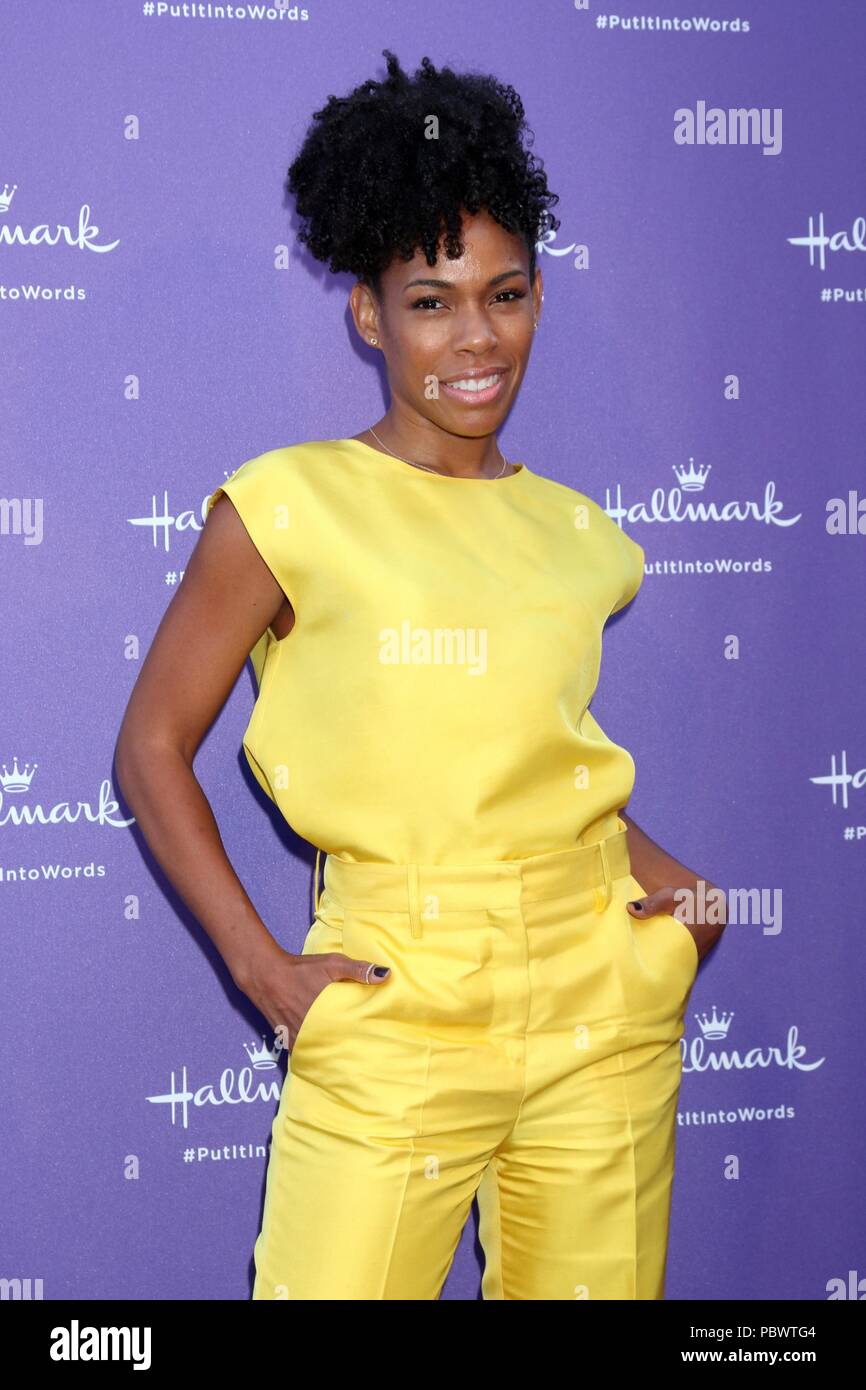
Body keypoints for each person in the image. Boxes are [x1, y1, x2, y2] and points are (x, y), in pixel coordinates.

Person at [115, 50, 726, 1301]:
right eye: (430, 299)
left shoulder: (574, 530)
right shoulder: (286, 506)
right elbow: (149, 748)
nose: (474, 337)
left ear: (538, 298)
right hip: (396, 994)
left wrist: (676, 891)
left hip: (600, 1001)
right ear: (368, 314)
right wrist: (264, 972)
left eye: (502, 294)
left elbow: (527, 754)